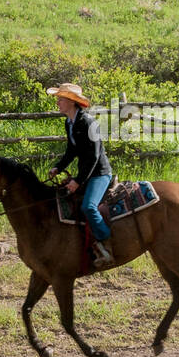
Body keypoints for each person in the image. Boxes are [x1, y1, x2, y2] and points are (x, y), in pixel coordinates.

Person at [46, 82, 115, 268]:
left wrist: (77, 181)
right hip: (86, 173)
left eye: (60, 99)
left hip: (99, 173)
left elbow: (94, 156)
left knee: (89, 207)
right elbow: (71, 150)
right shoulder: (69, 122)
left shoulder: (88, 123)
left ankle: (106, 244)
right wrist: (58, 167)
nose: (58, 102)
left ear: (71, 101)